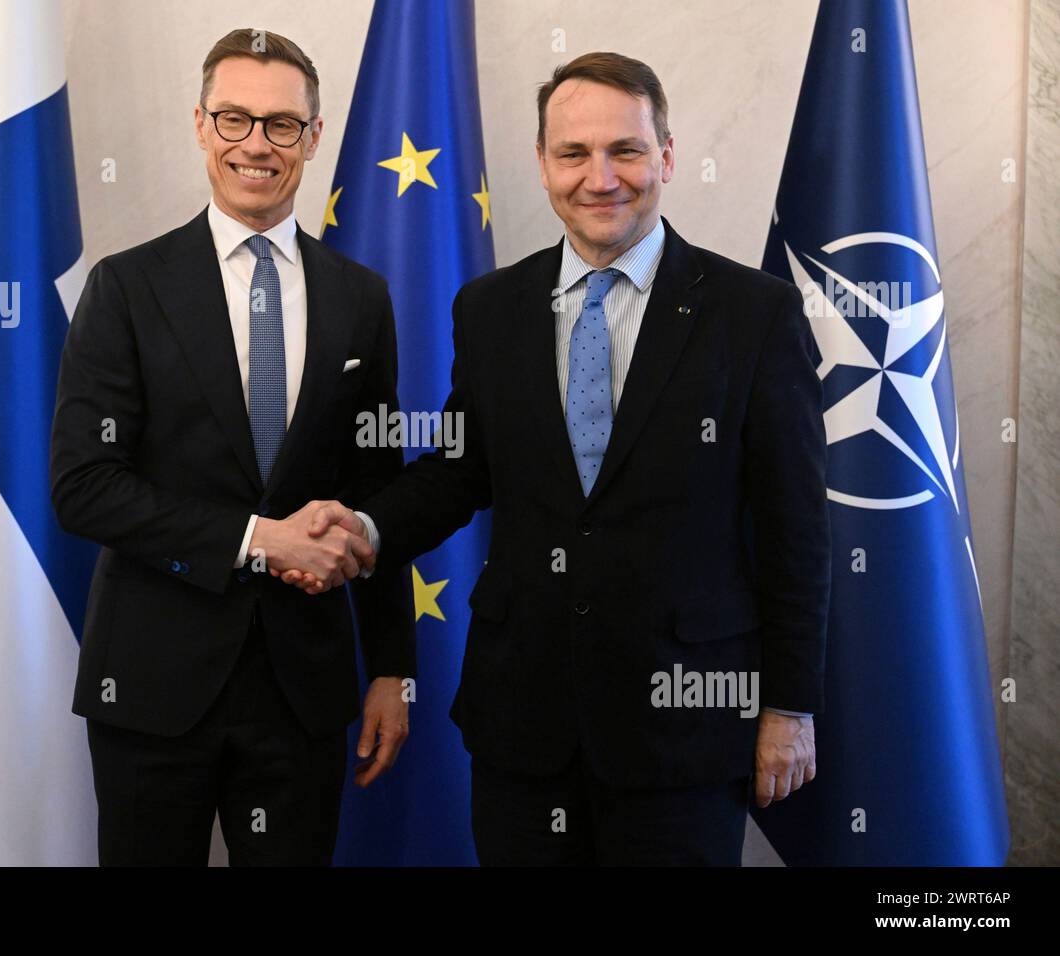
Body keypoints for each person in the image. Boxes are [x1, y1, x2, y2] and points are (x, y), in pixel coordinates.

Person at [286, 52, 829, 865]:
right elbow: (459, 470)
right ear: (542, 164)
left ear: (667, 157)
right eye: (573, 154)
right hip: (522, 729)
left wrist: (789, 707)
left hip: (684, 730)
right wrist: (362, 525)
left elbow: (798, 529)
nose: (599, 177)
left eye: (626, 150)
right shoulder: (493, 306)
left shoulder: (754, 313)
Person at [50, 28, 414, 866]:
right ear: (201, 125)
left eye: (282, 125)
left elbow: (378, 491)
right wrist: (259, 540)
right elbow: (83, 486)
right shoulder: (127, 287)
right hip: (150, 686)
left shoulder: (362, 299)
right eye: (235, 119)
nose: (257, 143)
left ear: (313, 138)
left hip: (303, 692)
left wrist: (394, 667)